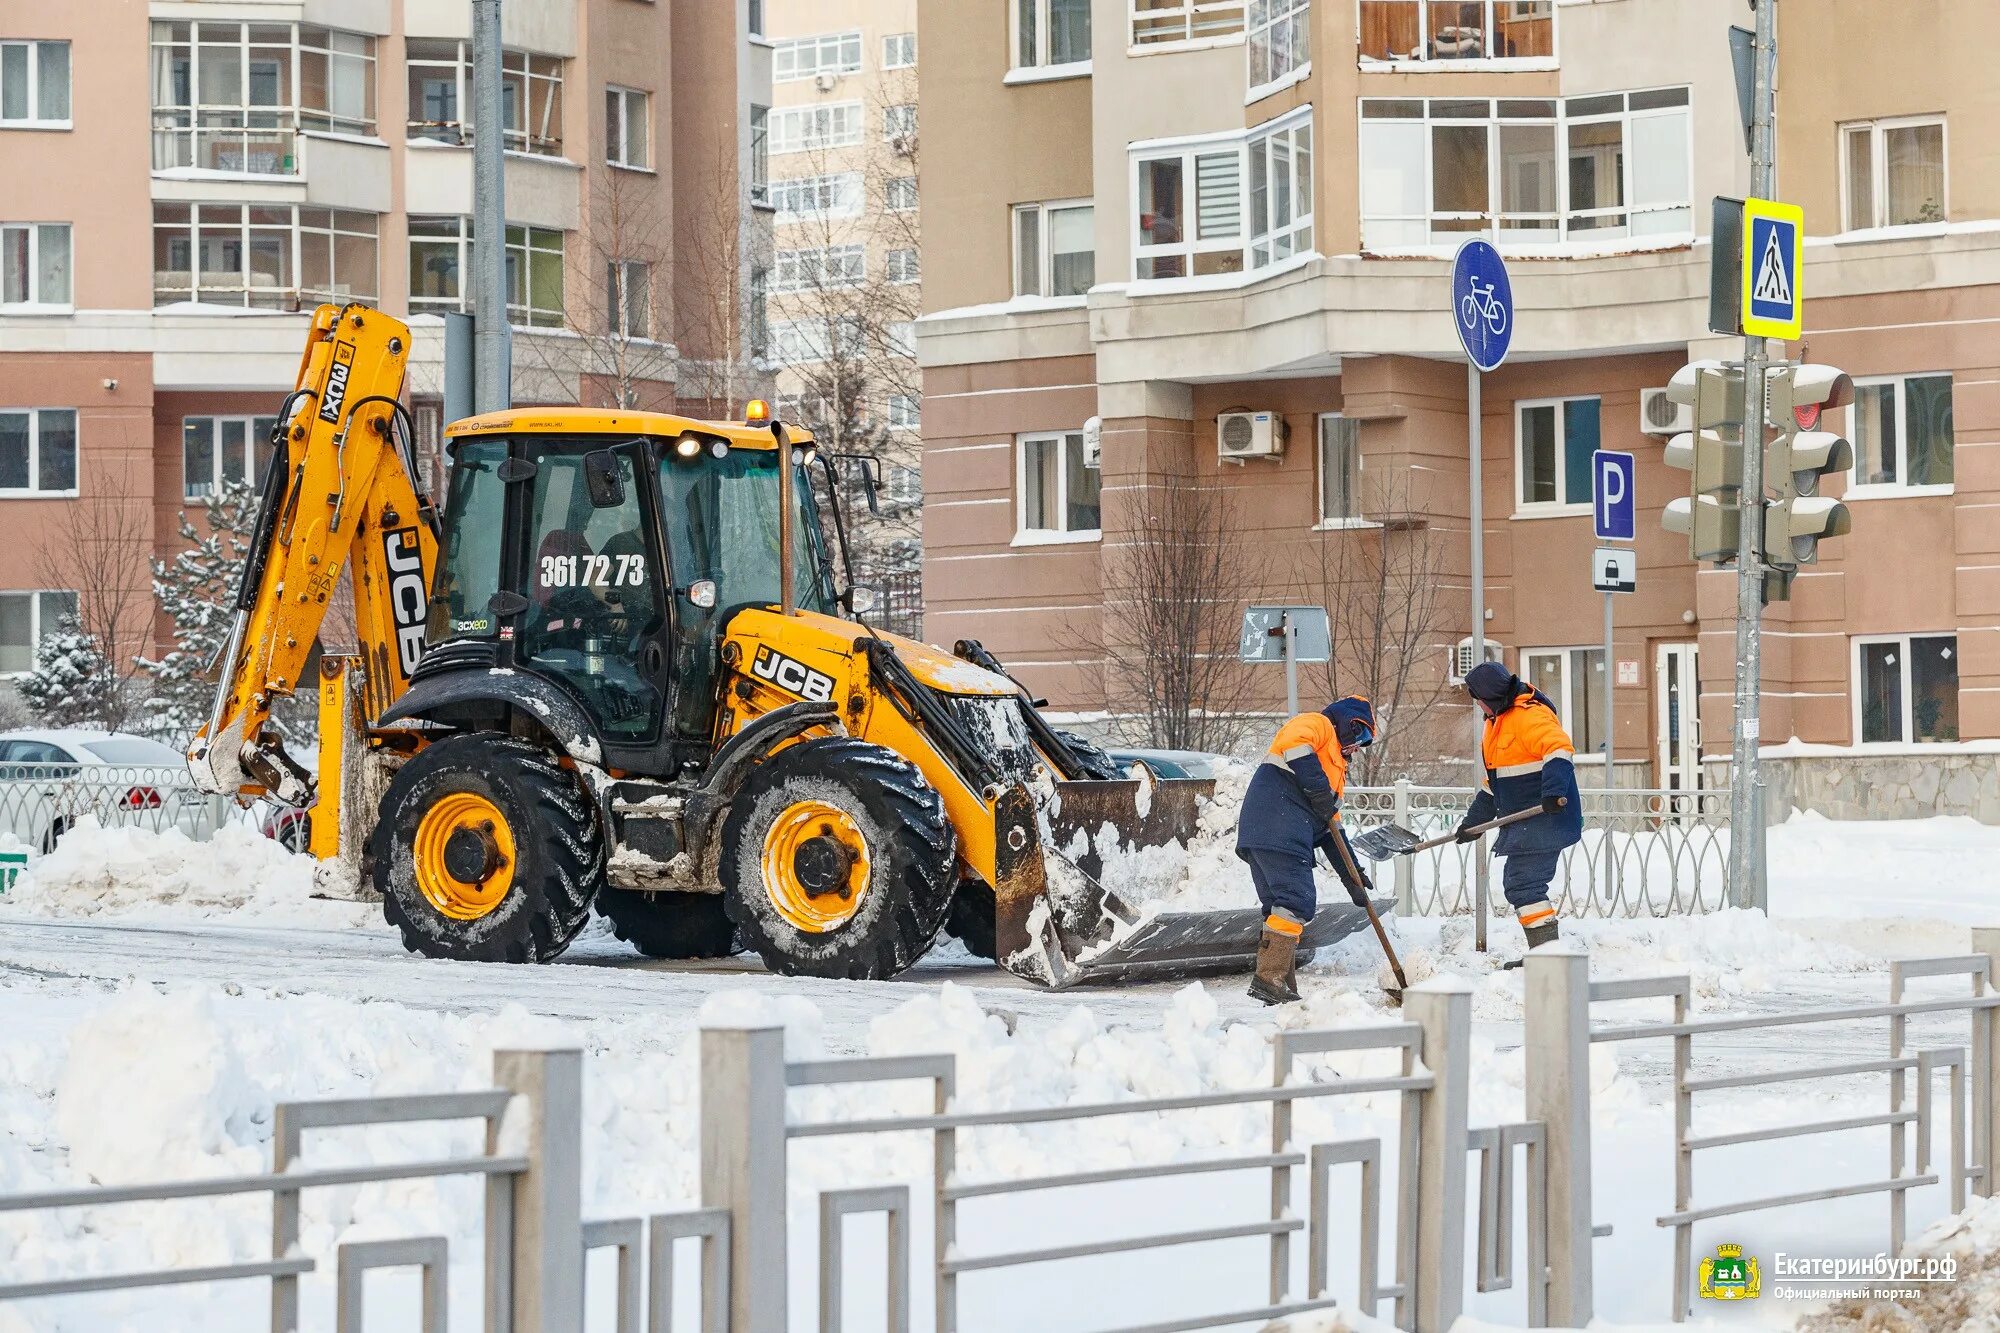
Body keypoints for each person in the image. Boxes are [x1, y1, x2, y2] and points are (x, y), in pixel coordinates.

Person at [1235, 695, 1378, 1005]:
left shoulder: (1334, 769)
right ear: (1346, 722)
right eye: (1360, 734)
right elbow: (1294, 743)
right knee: (1297, 901)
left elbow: (1333, 831)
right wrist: (1318, 791)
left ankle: (1280, 984)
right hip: (1279, 827)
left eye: (1366, 741)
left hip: (1266, 832)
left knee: (1279, 908)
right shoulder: (1318, 724)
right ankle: (1268, 978)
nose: (1359, 745)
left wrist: (1352, 877)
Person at [1454, 661, 1583, 957]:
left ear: (1489, 698)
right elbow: (1494, 785)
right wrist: (1472, 824)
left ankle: (1548, 958)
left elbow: (1559, 750)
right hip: (1524, 823)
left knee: (1524, 884)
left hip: (1546, 817)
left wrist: (1552, 793)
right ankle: (1545, 955)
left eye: (1479, 702)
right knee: (1520, 884)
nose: (1480, 708)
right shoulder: (1494, 727)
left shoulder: (1530, 715)